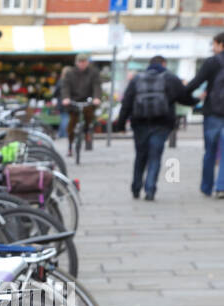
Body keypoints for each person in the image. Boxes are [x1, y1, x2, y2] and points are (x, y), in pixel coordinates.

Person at [114, 56, 193, 200]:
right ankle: (150, 189)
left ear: (149, 65)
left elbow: (127, 102)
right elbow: (184, 97)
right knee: (155, 156)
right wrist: (198, 100)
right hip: (162, 123)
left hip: (140, 123)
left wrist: (120, 124)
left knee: (140, 156)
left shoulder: (137, 79)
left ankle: (136, 188)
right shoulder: (170, 78)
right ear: (164, 64)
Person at [182, 32, 224, 197]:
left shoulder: (212, 62)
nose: (213, 48)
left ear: (221, 44)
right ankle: (221, 187)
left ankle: (207, 187)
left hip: (213, 112)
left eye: (214, 45)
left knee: (210, 151)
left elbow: (195, 83)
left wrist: (186, 97)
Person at [57, 54, 101, 152]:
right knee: (71, 124)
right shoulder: (70, 73)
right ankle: (70, 145)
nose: (82, 64)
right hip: (73, 101)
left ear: (87, 62)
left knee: (89, 116)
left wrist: (96, 98)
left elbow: (96, 86)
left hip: (87, 100)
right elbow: (65, 87)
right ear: (76, 63)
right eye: (80, 62)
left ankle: (87, 132)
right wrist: (66, 98)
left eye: (84, 62)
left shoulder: (93, 73)